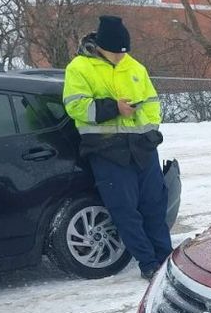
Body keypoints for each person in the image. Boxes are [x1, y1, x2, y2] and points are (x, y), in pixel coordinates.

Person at [63, 15, 171, 280]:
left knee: (155, 206)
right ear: (101, 46)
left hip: (142, 148)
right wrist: (114, 108)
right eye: (115, 52)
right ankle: (148, 263)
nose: (120, 57)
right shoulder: (79, 68)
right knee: (125, 211)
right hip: (107, 149)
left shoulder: (135, 67)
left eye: (124, 52)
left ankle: (166, 259)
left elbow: (151, 103)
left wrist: (150, 133)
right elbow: (75, 105)